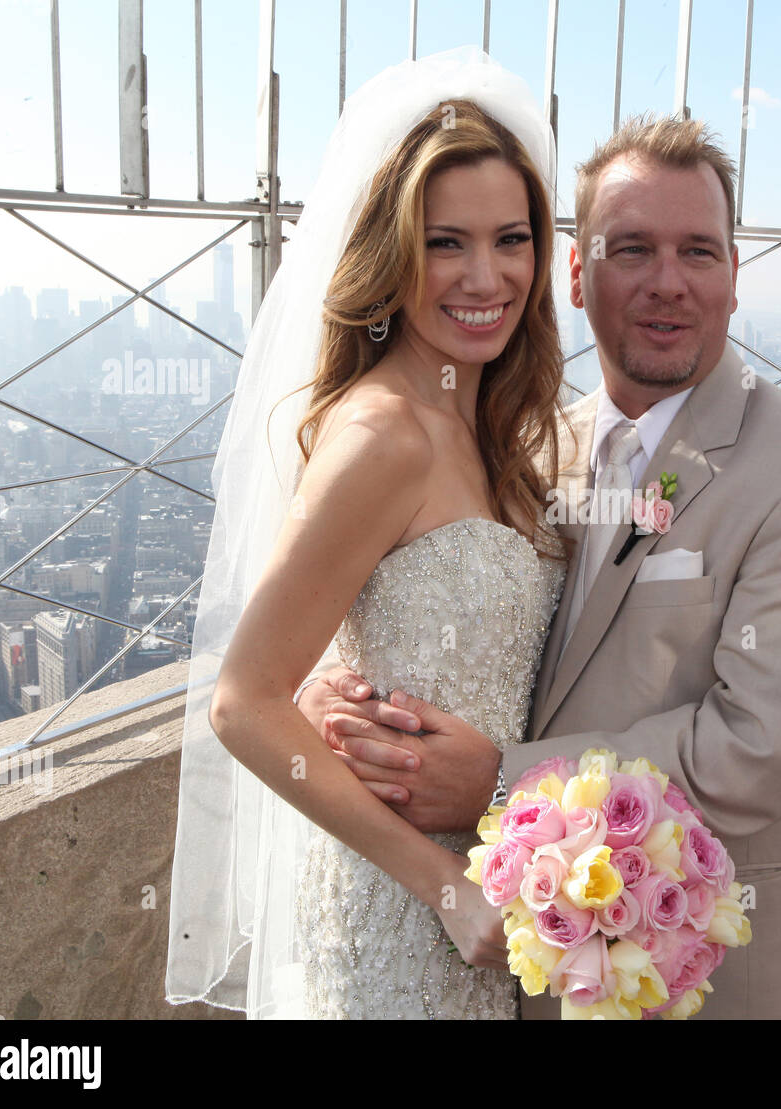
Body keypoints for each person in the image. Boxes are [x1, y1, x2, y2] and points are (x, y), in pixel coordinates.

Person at [300, 115, 781, 1019]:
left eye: (699, 251)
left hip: (703, 980)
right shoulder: (532, 446)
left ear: (734, 276)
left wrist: (505, 780)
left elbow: (761, 748)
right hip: (521, 970)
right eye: (632, 250)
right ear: (576, 276)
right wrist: (330, 694)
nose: (669, 284)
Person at [165, 50, 569, 1019]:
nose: (486, 276)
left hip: (482, 893)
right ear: (391, 256)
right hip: (398, 910)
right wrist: (441, 885)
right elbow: (242, 703)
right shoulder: (384, 434)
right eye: (445, 244)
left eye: (511, 238)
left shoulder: (485, 425)